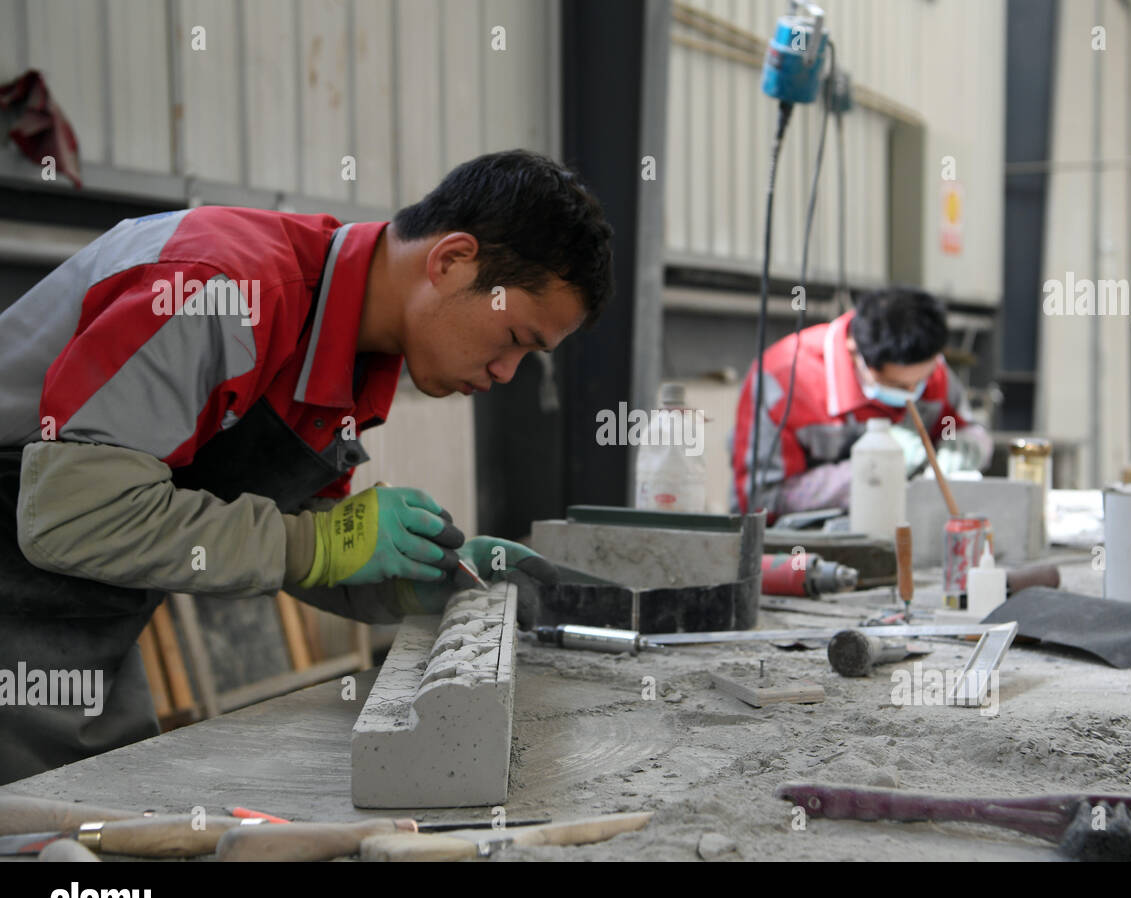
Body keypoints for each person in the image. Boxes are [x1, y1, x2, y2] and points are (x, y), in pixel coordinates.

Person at [0, 149, 614, 782]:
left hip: (72, 625)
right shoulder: (222, 293)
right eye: (514, 340)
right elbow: (69, 516)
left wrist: (413, 578)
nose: (504, 375)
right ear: (452, 261)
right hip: (21, 587)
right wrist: (318, 540)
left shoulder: (348, 357)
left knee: (111, 821)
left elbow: (270, 531)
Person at [731, 286, 991, 517]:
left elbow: (963, 427)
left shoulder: (933, 371)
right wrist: (867, 472)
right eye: (898, 386)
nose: (913, 392)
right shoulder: (783, 381)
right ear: (856, 351)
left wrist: (965, 449)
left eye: (921, 381)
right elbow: (760, 499)